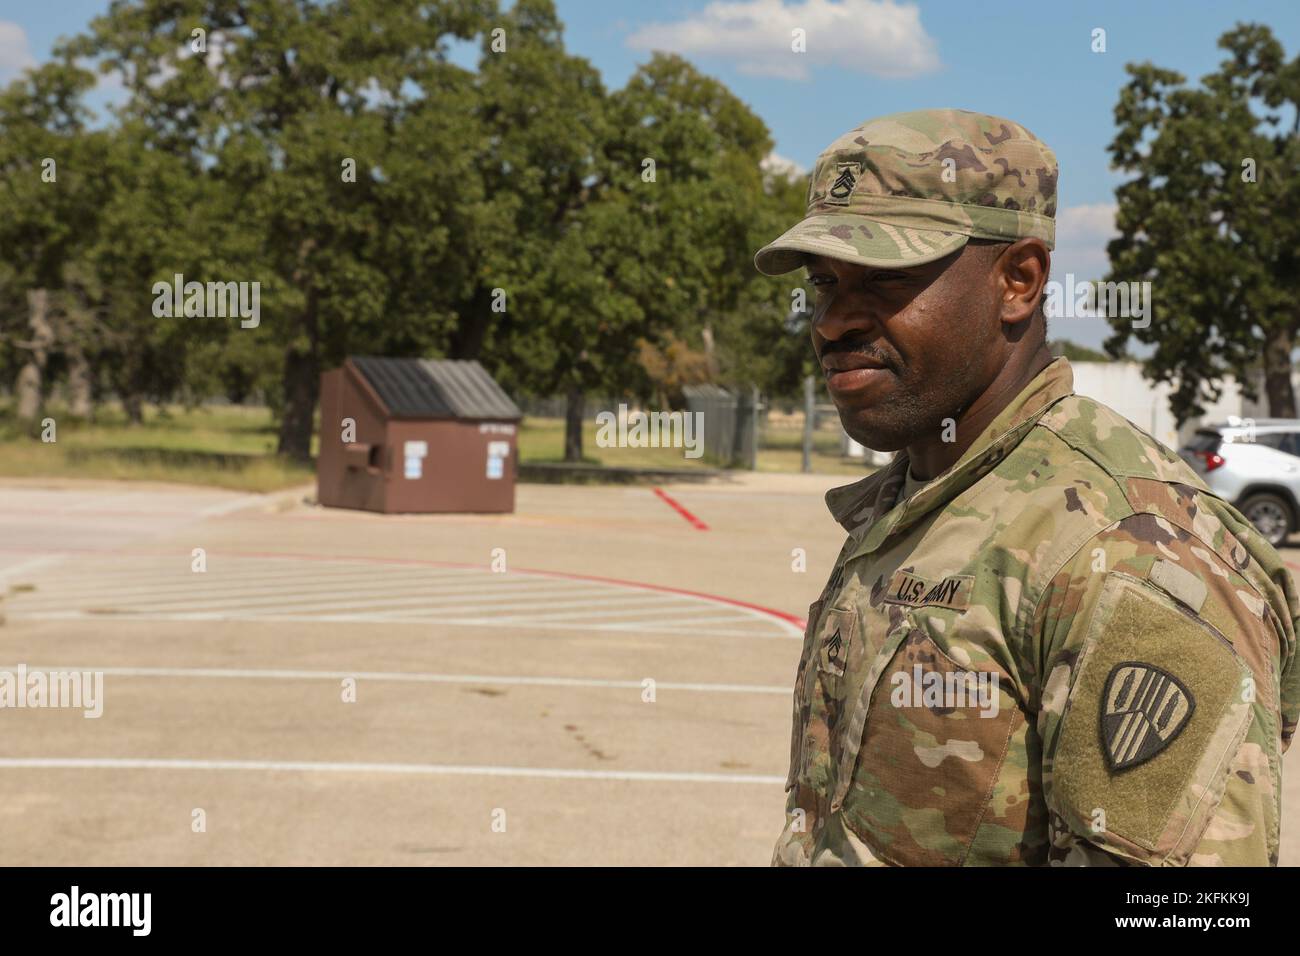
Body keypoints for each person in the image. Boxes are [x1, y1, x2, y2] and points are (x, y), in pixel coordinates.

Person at [754, 108, 1298, 866]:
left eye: (884, 279)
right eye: (825, 283)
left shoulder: (1126, 550)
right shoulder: (922, 498)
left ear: (1019, 281)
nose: (834, 321)